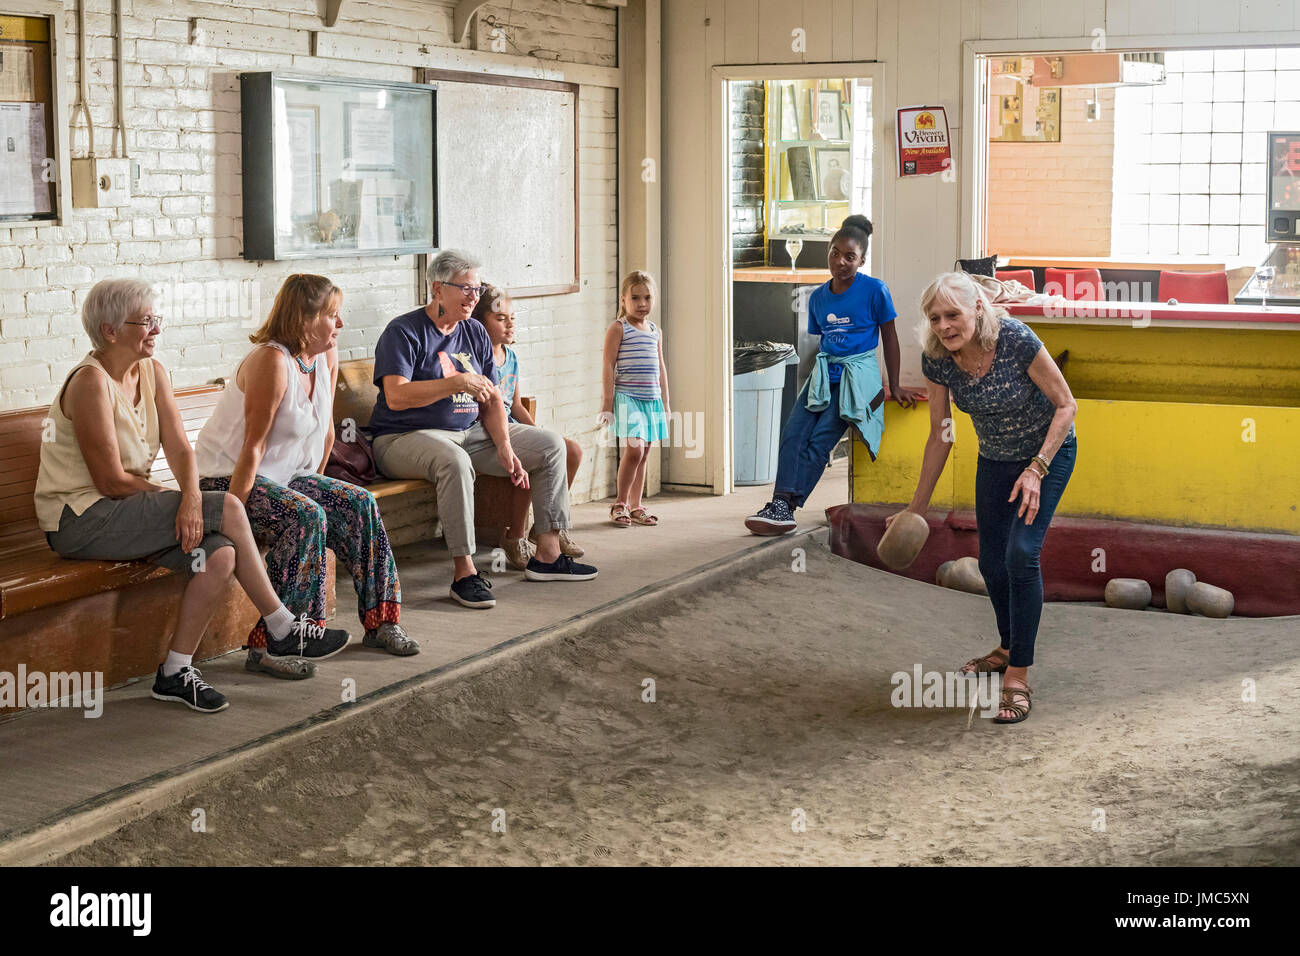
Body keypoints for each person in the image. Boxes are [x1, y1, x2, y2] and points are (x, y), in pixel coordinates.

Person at [34, 279, 348, 713]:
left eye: (155, 320)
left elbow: (180, 447)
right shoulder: (90, 383)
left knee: (218, 555)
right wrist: (190, 501)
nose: (156, 329)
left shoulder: (153, 371)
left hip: (129, 511)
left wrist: (188, 495)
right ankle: (281, 624)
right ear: (110, 331)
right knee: (230, 505)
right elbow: (109, 481)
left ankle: (174, 671)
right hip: (81, 519)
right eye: (146, 322)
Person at [195, 274, 414, 680]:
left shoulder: (325, 355)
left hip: (285, 477)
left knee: (359, 503)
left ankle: (382, 621)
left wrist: (314, 486)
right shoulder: (271, 362)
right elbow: (252, 448)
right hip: (226, 480)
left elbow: (326, 431)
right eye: (332, 315)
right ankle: (280, 641)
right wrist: (235, 515)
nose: (340, 324)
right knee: (305, 515)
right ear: (304, 319)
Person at [893, 271, 1078, 724]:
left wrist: (1037, 468)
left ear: (978, 308)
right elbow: (941, 433)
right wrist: (915, 508)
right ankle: (1007, 645)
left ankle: (1018, 674)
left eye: (952, 315)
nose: (943, 326)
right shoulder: (938, 357)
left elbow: (1066, 406)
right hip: (995, 461)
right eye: (934, 318)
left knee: (1020, 554)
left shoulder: (1015, 339)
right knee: (992, 563)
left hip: (1045, 456)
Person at [368, 250, 598, 609]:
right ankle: (465, 573)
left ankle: (549, 556)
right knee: (455, 461)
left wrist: (505, 446)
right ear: (437, 289)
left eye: (477, 289)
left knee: (552, 445)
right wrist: (456, 382)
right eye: (466, 289)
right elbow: (396, 397)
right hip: (403, 438)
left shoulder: (474, 332)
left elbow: (491, 400)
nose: (474, 297)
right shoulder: (404, 331)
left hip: (470, 432)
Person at [746, 215, 923, 535]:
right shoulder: (818, 297)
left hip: (859, 375)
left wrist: (892, 385)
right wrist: (812, 380)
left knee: (820, 439)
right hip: (826, 372)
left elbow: (890, 337)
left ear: (862, 260)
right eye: (835, 252)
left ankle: (787, 506)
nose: (840, 261)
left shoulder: (875, 290)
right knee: (792, 433)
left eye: (850, 257)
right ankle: (778, 503)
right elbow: (822, 343)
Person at [473, 284, 585, 569]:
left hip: (514, 428)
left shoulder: (510, 358)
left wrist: (541, 433)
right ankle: (515, 535)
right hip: (490, 433)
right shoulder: (476, 359)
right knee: (533, 459)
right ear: (480, 322)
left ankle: (545, 530)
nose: (510, 324)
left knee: (572, 450)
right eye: (500, 318)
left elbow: (518, 405)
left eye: (512, 317)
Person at [600, 270, 670, 528]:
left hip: (651, 399)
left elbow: (661, 366)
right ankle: (620, 503)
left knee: (644, 454)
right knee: (634, 450)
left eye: (647, 298)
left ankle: (637, 505)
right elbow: (608, 364)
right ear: (623, 300)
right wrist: (608, 402)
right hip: (628, 397)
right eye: (636, 298)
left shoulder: (654, 330)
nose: (642, 304)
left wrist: (666, 402)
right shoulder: (619, 328)